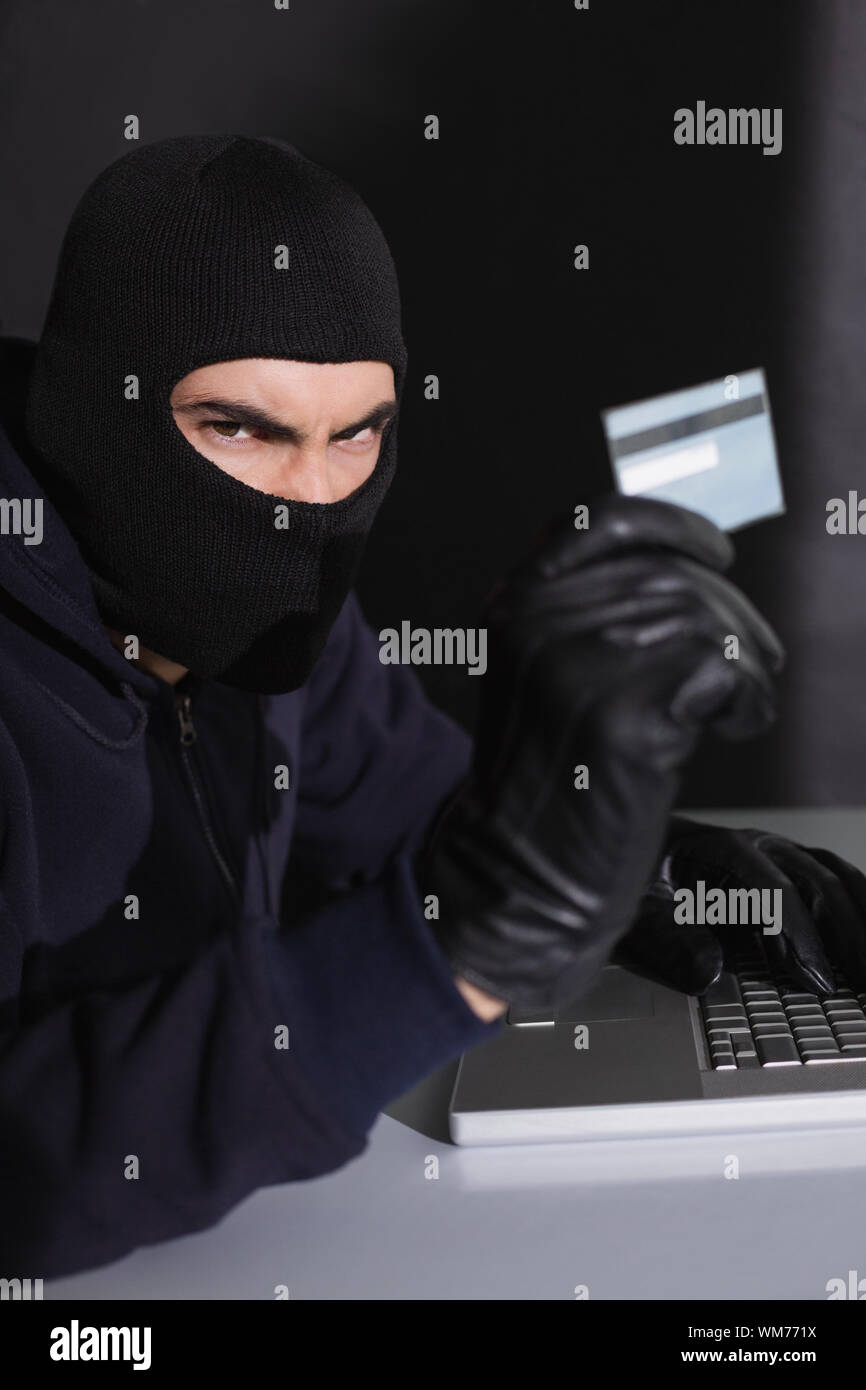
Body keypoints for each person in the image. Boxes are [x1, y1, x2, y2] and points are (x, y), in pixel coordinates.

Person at [0, 134, 848, 1281]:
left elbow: (419, 813)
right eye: (238, 428)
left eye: (355, 433)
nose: (310, 499)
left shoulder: (263, 619)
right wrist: (457, 946)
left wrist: (640, 867)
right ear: (91, 410)